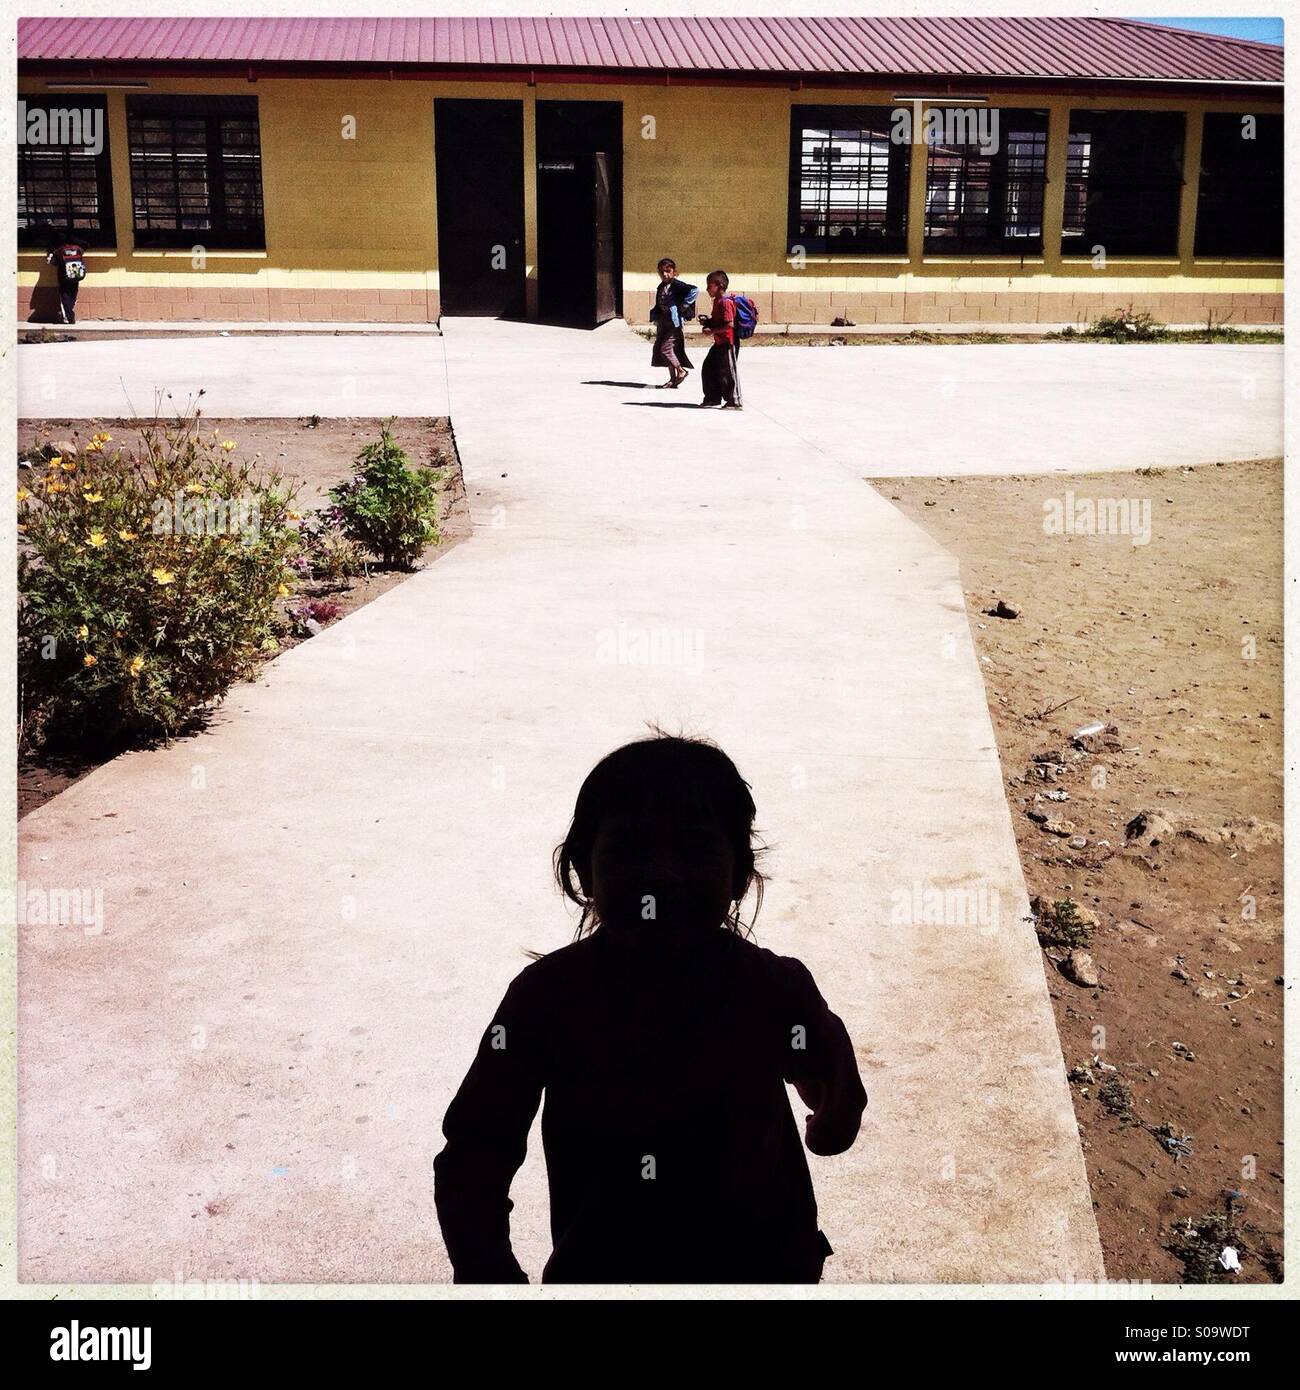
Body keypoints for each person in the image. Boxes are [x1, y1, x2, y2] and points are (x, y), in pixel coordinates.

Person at [433, 733, 868, 1284]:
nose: (661, 875)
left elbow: (826, 1060)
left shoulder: (773, 988)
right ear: (582, 872)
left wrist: (838, 1099)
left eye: (694, 849)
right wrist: (488, 1270)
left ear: (738, 875)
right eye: (629, 848)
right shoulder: (545, 1001)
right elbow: (476, 1153)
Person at [648, 258, 697, 388]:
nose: (665, 274)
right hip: (664, 322)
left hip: (674, 324)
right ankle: (672, 379)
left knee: (666, 349)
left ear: (674, 272)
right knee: (665, 349)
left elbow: (694, 290)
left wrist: (684, 306)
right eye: (662, 272)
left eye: (668, 271)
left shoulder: (677, 285)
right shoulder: (662, 286)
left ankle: (681, 371)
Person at [698, 269, 742, 409]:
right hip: (719, 342)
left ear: (720, 286)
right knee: (709, 368)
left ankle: (734, 401)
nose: (707, 289)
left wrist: (711, 330)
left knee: (728, 372)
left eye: (710, 286)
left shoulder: (725, 302)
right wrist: (708, 321)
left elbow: (729, 325)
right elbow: (720, 321)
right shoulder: (717, 301)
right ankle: (712, 398)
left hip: (728, 343)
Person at [46, 230, 90, 324]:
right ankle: (70, 313)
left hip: (64, 276)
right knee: (73, 293)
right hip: (76, 275)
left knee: (64, 295)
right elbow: (86, 245)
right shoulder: (78, 249)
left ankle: (68, 316)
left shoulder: (59, 250)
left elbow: (53, 263)